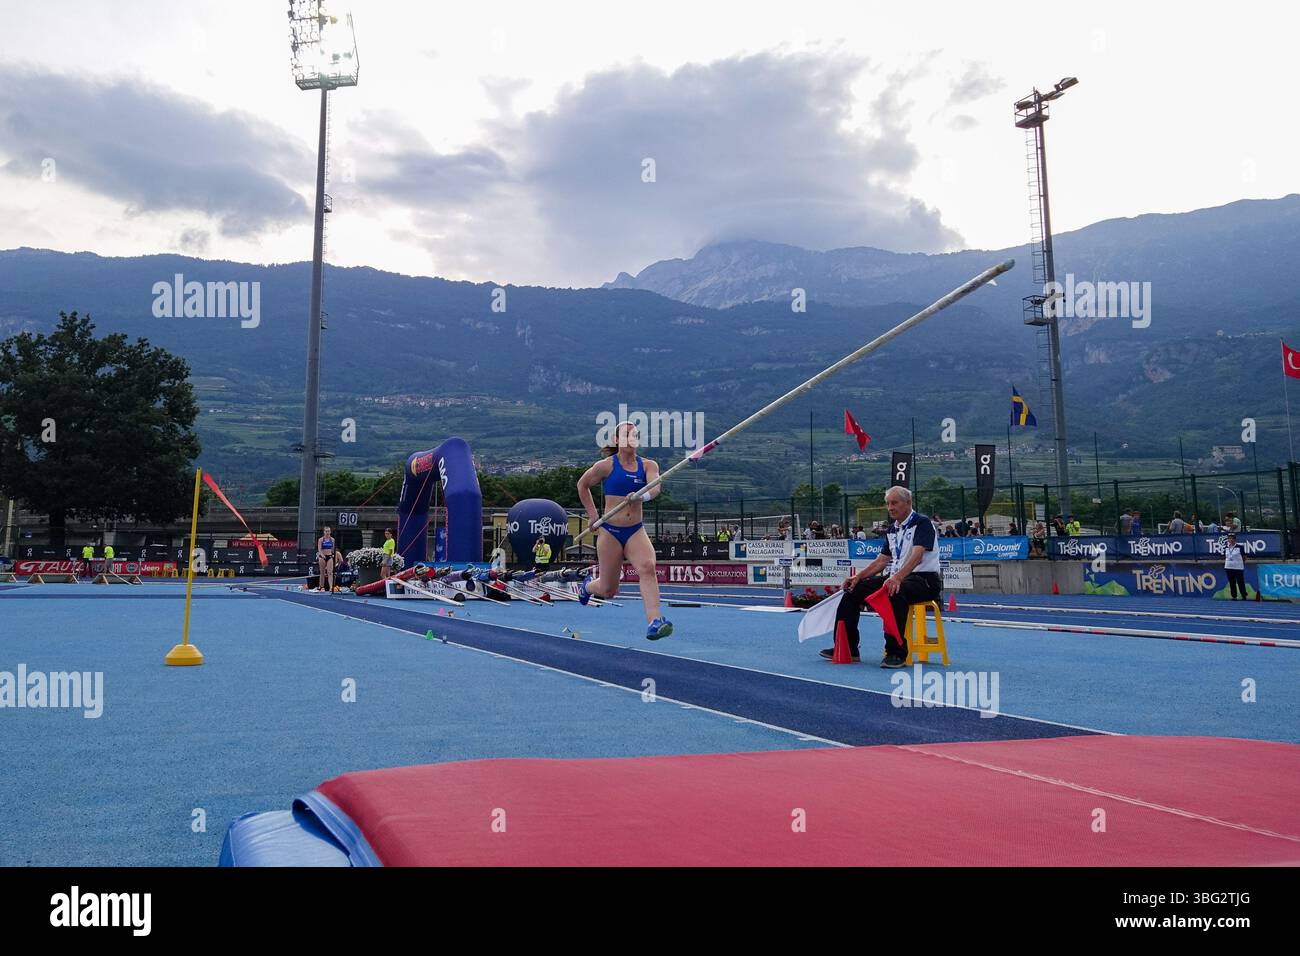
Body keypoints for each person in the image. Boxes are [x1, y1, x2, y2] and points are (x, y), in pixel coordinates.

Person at [819, 486, 941, 668]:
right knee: (853, 590)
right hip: (897, 578)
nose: (890, 508)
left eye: (894, 503)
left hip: (923, 580)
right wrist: (857, 577)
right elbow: (881, 561)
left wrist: (897, 577)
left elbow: (917, 556)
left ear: (908, 503)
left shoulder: (922, 523)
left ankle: (896, 652)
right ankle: (847, 647)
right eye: (888, 504)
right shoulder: (892, 530)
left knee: (893, 590)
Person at [576, 421, 671, 640]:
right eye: (627, 434)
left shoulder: (648, 466)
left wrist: (641, 496)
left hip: (635, 531)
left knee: (647, 567)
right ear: (617, 440)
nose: (632, 438)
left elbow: (655, 488)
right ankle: (589, 587)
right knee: (608, 590)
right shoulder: (605, 466)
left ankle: (655, 621)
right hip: (610, 532)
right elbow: (582, 486)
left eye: (635, 434)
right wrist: (593, 516)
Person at [1223, 533, 1246, 600]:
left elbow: (1244, 557)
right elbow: (1225, 556)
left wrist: (1241, 563)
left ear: (1235, 539)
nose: (1231, 540)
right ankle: (1234, 596)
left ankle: (1244, 595)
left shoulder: (1240, 547)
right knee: (1231, 582)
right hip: (1228, 567)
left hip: (1238, 567)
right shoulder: (1226, 548)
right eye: (1229, 538)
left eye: (1232, 538)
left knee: (1240, 582)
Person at [316, 525, 337, 592]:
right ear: (324, 532)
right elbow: (319, 549)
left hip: (329, 556)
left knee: (330, 572)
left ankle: (331, 587)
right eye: (326, 531)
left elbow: (333, 549)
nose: (327, 532)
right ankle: (321, 586)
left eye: (328, 531)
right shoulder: (321, 540)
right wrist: (322, 555)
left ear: (330, 532)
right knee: (322, 572)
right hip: (322, 557)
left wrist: (334, 556)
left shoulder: (332, 540)